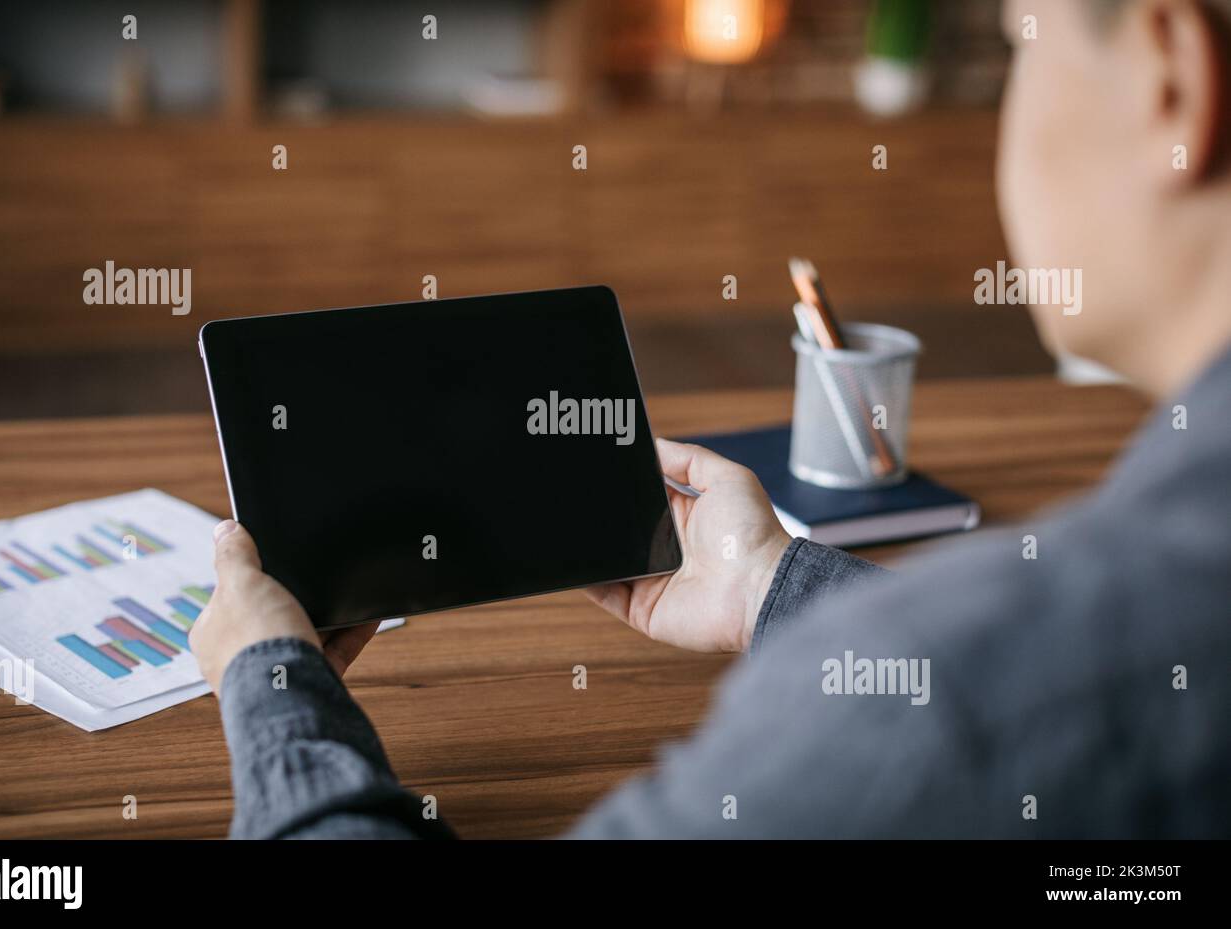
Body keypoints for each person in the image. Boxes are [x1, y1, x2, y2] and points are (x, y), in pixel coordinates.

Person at [189, 0, 1231, 838]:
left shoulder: (960, 713)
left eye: (1018, 46)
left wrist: (273, 683)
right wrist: (772, 583)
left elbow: (994, 700)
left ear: (1167, 76)